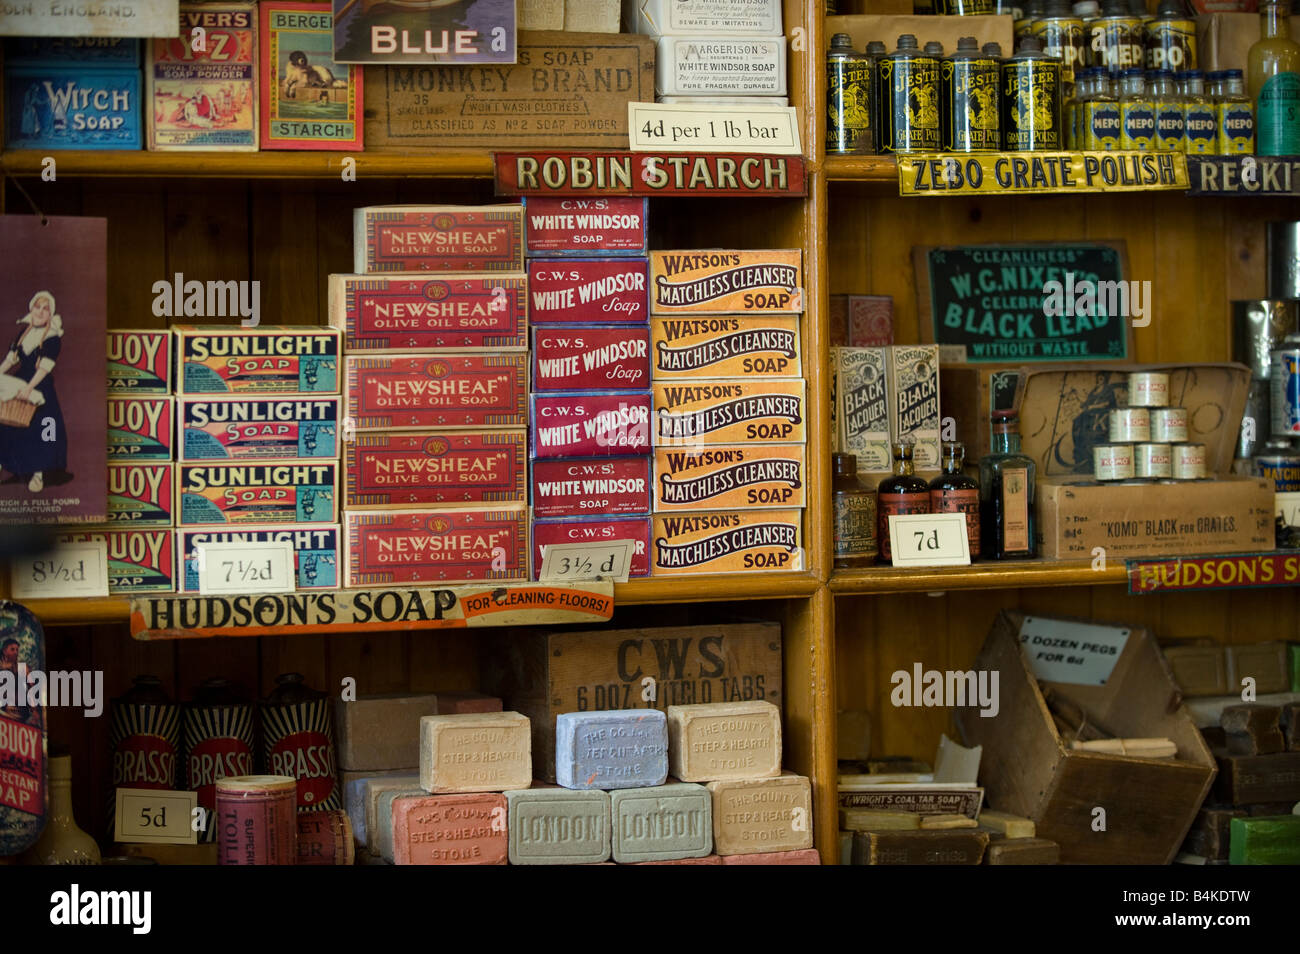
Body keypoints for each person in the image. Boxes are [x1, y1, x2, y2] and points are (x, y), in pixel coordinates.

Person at [0, 291, 69, 493]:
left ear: (50, 314)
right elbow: (10, 360)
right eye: (37, 307)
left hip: (40, 386)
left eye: (45, 308)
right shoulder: (23, 333)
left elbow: (44, 368)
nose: (40, 311)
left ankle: (38, 474)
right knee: (8, 423)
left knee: (41, 430)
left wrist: (29, 388)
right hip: (22, 380)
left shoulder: (52, 337)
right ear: (31, 308)